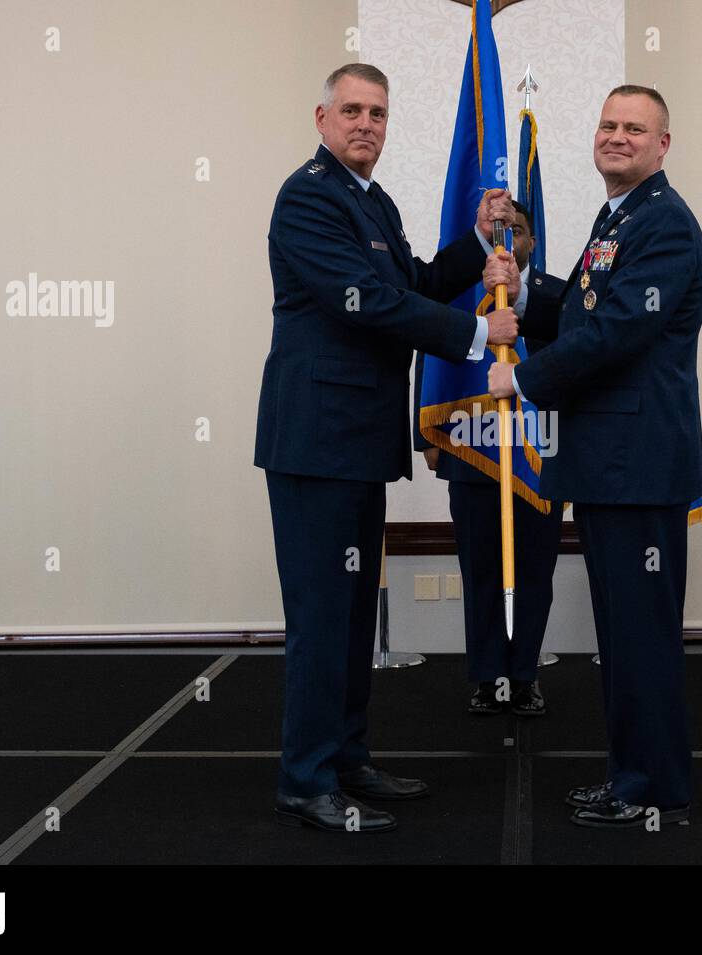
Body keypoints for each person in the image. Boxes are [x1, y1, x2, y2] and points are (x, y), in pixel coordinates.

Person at [256, 63, 517, 833]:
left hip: (357, 443)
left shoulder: (373, 200)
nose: (366, 123)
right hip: (315, 444)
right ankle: (305, 778)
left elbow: (420, 283)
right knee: (321, 617)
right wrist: (478, 332)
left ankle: (347, 759)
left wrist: (477, 240)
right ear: (322, 117)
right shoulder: (307, 196)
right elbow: (366, 302)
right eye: (352, 111)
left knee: (350, 616)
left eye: (377, 112)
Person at [487, 85, 702, 828]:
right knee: (622, 634)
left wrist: (520, 375)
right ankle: (632, 774)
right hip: (610, 461)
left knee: (640, 636)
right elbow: (588, 307)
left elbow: (617, 333)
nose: (616, 137)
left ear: (662, 145)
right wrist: (530, 283)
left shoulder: (665, 226)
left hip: (639, 463)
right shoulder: (618, 217)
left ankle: (652, 788)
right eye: (608, 125)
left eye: (634, 129)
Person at [416, 201, 564, 717]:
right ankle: (486, 678)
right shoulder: (460, 299)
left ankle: (523, 676)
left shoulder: (557, 297)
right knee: (479, 571)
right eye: (500, 231)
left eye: (517, 232)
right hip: (474, 453)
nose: (508, 241)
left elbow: (578, 357)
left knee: (534, 573)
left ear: (532, 243)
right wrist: (429, 439)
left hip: (540, 455)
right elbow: (431, 364)